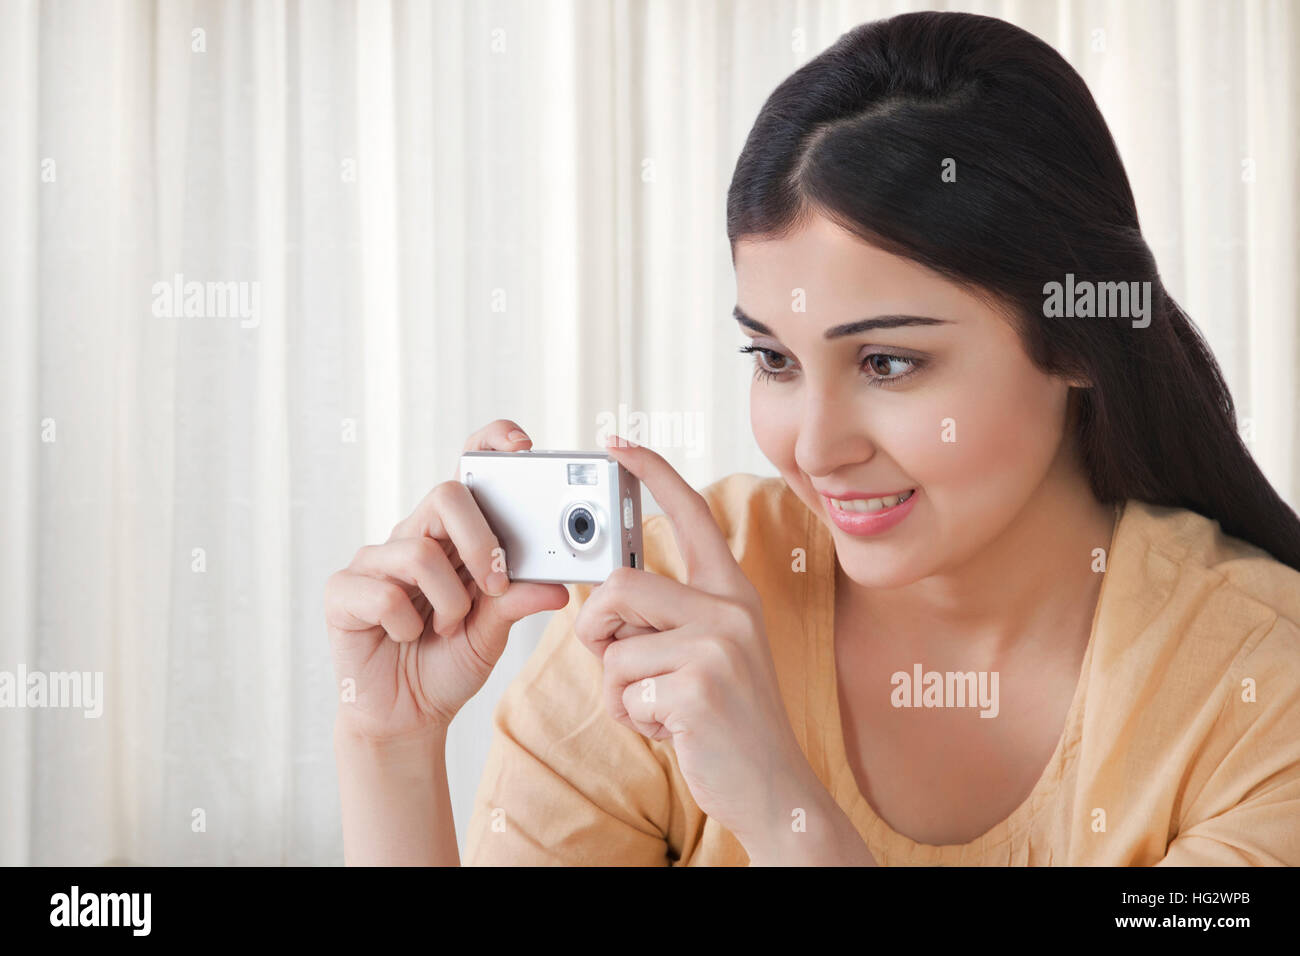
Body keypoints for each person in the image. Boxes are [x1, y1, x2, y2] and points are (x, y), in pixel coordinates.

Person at [326, 11, 1300, 865]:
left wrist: (784, 810)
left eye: (886, 363)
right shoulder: (658, 614)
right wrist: (388, 746)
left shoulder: (1258, 681)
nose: (814, 448)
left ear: (1076, 336)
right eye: (775, 361)